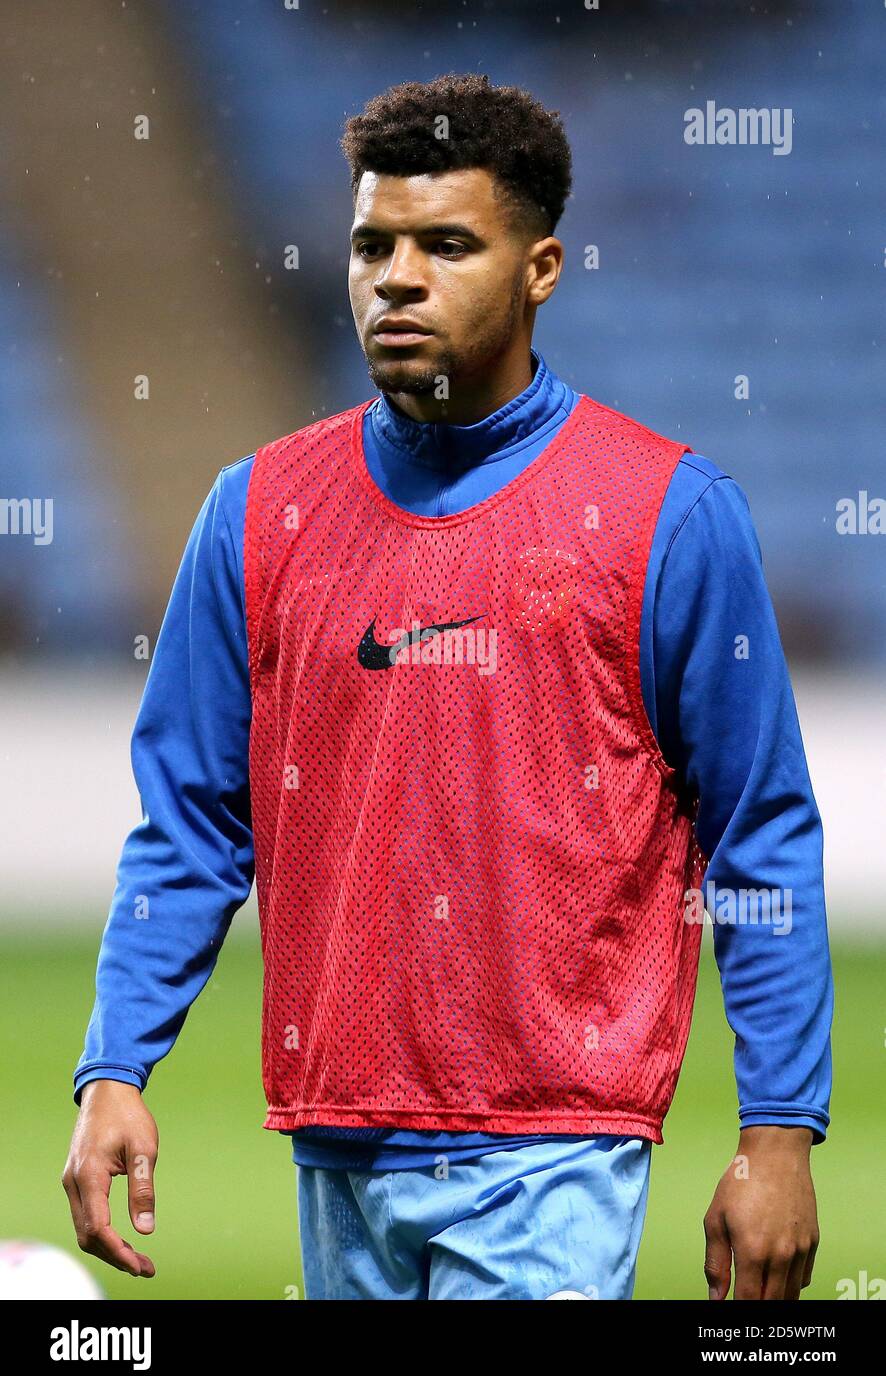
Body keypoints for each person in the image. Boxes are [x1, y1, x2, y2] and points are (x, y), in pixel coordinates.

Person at [64, 73, 831, 1301]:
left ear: (540, 269)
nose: (396, 277)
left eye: (446, 245)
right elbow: (191, 825)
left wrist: (776, 1134)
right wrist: (115, 1070)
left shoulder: (666, 515)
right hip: (336, 1146)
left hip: (555, 1152)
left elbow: (761, 837)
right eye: (372, 243)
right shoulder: (256, 512)